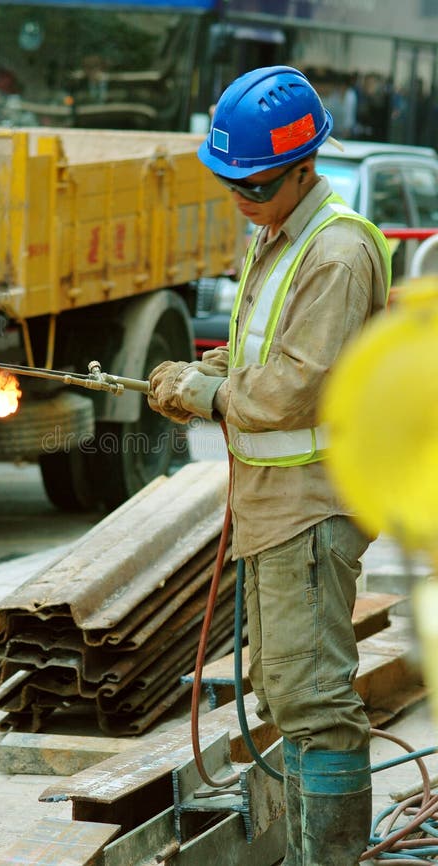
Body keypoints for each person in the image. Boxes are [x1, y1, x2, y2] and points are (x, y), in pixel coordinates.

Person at [147, 66, 391, 865]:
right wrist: (214, 369)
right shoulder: (277, 234)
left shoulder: (337, 253)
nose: (240, 203)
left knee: (312, 702)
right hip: (273, 503)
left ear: (303, 167)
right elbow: (268, 354)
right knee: (286, 692)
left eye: (252, 188)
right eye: (232, 187)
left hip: (310, 507)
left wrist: (205, 392)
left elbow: (293, 388)